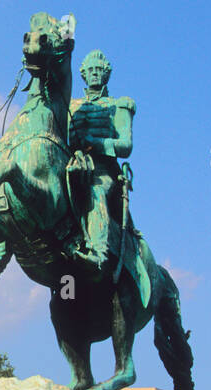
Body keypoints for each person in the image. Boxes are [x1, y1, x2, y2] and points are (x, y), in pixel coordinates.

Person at [67, 49, 135, 284]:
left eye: (100, 70)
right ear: (83, 74)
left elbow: (125, 145)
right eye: (91, 70)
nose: (95, 74)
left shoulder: (119, 104)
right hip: (73, 165)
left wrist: (95, 144)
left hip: (103, 171)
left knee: (96, 192)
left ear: (107, 75)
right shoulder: (71, 105)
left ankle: (99, 253)